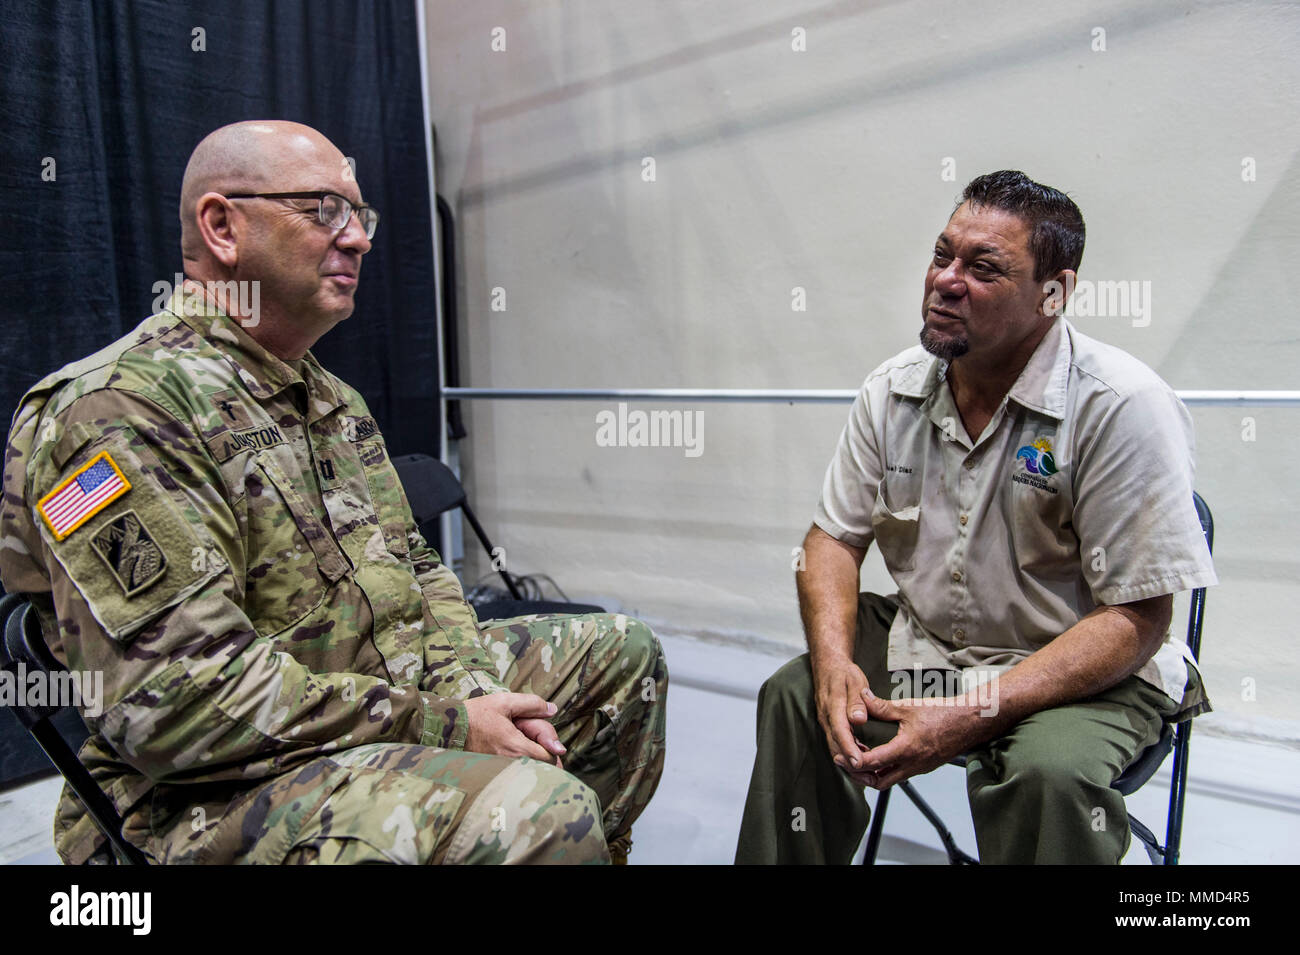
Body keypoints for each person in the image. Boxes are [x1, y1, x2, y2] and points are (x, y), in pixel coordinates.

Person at [0, 120, 667, 865]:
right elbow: (180, 709)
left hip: (372, 704)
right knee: (539, 811)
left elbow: (419, 575)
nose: (358, 239)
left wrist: (478, 695)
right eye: (323, 209)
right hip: (210, 794)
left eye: (361, 215)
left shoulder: (330, 400)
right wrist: (451, 727)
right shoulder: (117, 412)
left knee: (623, 656)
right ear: (223, 226)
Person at [735, 170, 1216, 865]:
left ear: (1054, 294)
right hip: (931, 647)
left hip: (1074, 672)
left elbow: (1139, 615)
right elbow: (832, 540)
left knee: (1050, 773)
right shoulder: (893, 390)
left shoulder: (1120, 406)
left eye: (983, 267)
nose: (945, 280)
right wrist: (837, 663)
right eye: (942, 254)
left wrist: (969, 713)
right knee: (796, 695)